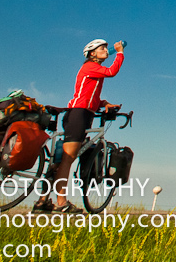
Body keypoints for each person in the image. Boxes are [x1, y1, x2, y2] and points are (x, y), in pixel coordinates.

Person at [36, 39, 124, 212]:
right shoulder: (90, 66)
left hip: (83, 113)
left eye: (108, 48)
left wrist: (104, 103)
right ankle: (61, 203)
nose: (107, 50)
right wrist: (119, 52)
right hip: (78, 114)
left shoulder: (93, 71)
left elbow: (90, 95)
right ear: (92, 54)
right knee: (68, 160)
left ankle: (42, 201)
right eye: (102, 48)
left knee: (60, 161)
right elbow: (112, 71)